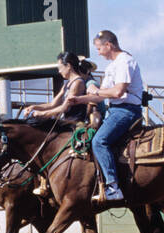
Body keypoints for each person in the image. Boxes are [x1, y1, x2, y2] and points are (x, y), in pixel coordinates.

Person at [65, 31, 144, 203]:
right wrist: (79, 99)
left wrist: (97, 91)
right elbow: (99, 96)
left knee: (99, 141)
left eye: (99, 48)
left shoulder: (125, 61)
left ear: (108, 45)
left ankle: (113, 186)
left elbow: (117, 91)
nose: (98, 52)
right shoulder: (112, 66)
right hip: (116, 110)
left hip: (127, 111)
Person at [23, 52, 98, 195]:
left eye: (60, 67)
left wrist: (42, 114)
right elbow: (52, 104)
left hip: (74, 123)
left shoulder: (78, 83)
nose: (58, 70)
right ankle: (43, 181)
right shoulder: (66, 85)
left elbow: (64, 108)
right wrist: (34, 107)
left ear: (68, 66)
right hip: (64, 122)